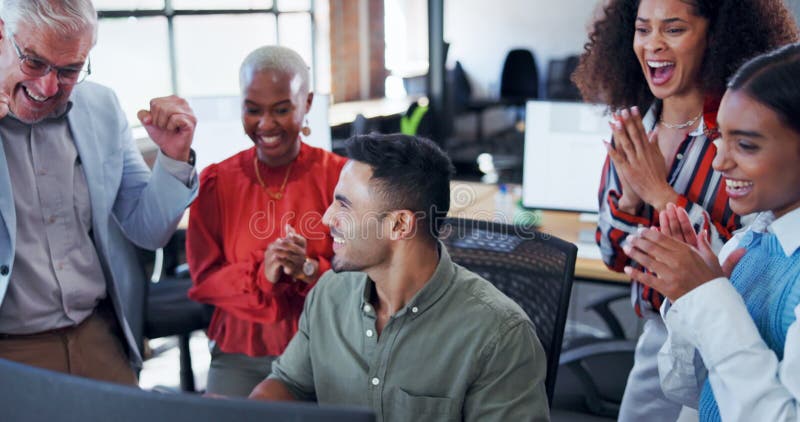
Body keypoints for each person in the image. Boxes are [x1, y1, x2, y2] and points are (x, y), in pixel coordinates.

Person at [571, 0, 798, 419]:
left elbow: (754, 260)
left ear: (713, 36)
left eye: (673, 30)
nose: (653, 44)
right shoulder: (637, 130)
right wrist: (631, 198)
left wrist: (661, 194)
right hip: (664, 331)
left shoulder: (744, 133)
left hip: (745, 330)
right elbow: (613, 253)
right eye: (643, 30)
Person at [247, 133, 549, 421]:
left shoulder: (500, 336)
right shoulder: (329, 293)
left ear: (399, 225)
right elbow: (289, 384)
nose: (326, 218)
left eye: (344, 205)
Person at [0, 0, 198, 385]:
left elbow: (146, 229)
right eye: (35, 62)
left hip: (99, 336)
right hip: (9, 352)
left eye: (70, 69)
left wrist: (173, 159)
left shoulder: (102, 106)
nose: (47, 87)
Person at [623, 43, 800, 421]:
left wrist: (711, 300)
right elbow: (693, 391)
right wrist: (691, 296)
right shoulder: (751, 243)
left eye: (746, 145)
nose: (720, 161)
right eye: (721, 138)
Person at [186, 45, 346, 397]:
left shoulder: (339, 179)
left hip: (325, 349)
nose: (266, 124)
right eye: (253, 110)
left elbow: (363, 280)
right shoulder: (217, 182)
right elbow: (206, 279)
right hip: (240, 350)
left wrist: (307, 269)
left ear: (307, 104)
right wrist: (264, 274)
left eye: (282, 109)